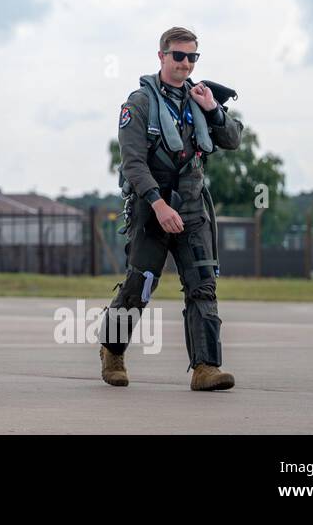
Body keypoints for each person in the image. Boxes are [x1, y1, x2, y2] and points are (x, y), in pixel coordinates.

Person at [100, 26, 242, 390]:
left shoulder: (200, 99)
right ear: (162, 56)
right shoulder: (139, 104)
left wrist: (212, 108)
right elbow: (133, 164)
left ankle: (205, 367)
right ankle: (112, 350)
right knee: (140, 285)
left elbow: (232, 139)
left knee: (203, 286)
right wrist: (159, 204)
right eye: (178, 55)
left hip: (192, 206)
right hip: (153, 208)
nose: (185, 63)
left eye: (192, 56)